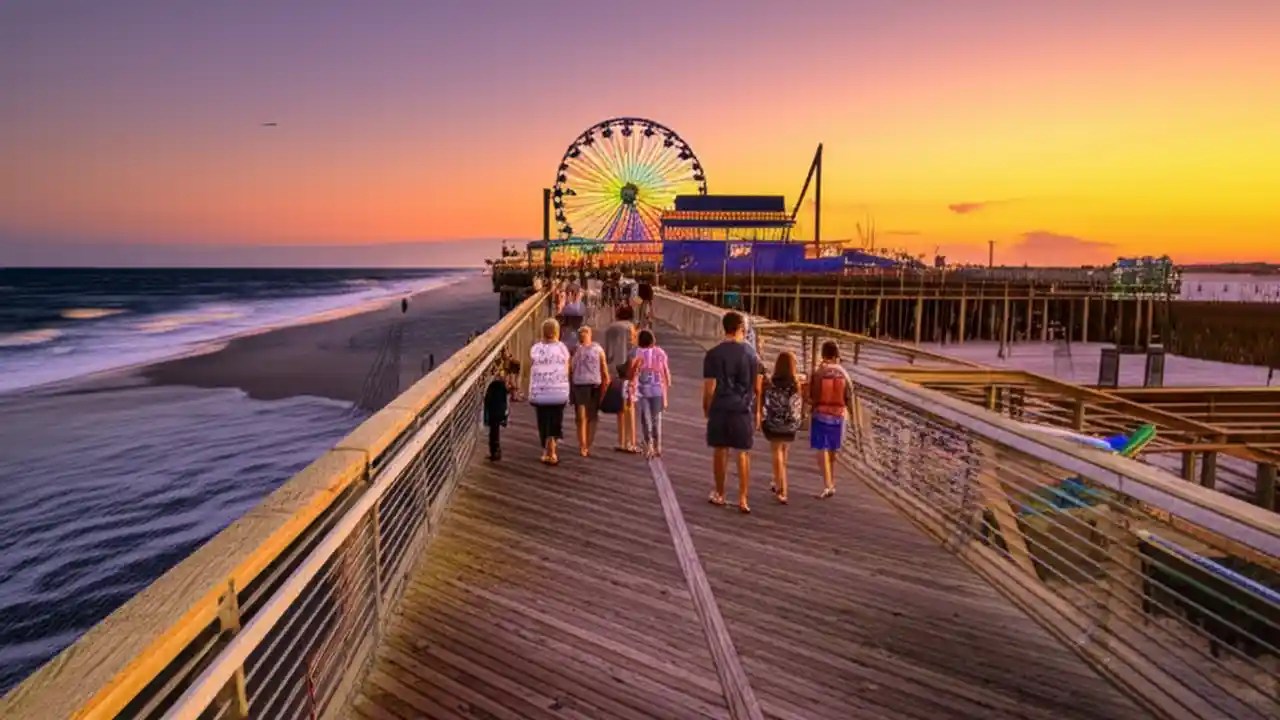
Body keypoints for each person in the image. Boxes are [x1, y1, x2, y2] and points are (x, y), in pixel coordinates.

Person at [702, 311, 762, 513]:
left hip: (720, 406)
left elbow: (709, 387)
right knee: (743, 453)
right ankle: (743, 498)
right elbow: (756, 387)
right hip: (742, 408)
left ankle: (720, 493)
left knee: (721, 451)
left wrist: (707, 408)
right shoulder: (751, 355)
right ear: (739, 329)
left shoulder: (713, 354)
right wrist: (757, 412)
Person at [809, 340, 855, 498]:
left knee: (823, 448)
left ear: (823, 355)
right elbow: (849, 397)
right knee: (833, 449)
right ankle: (832, 481)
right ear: (837, 356)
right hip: (839, 414)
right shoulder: (844, 373)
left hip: (821, 413)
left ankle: (827, 484)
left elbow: (813, 395)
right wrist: (854, 418)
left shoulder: (819, 373)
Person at [760, 351, 803, 503]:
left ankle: (781, 488)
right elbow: (797, 406)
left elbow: (766, 403)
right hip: (790, 424)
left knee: (776, 451)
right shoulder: (795, 384)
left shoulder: (771, 384)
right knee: (784, 452)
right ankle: (778, 479)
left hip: (774, 424)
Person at [528, 318, 571, 466]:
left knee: (543, 419)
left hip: (541, 391)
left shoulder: (535, 349)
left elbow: (533, 366)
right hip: (559, 391)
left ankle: (548, 450)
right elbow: (566, 368)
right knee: (556, 418)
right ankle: (552, 449)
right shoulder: (562, 348)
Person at [628, 329, 671, 457]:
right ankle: (658, 445)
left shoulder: (637, 352)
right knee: (656, 418)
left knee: (645, 418)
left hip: (642, 390)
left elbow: (632, 370)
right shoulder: (660, 353)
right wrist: (667, 383)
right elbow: (665, 371)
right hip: (657, 389)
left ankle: (649, 444)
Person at [604, 305, 639, 453]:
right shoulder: (631, 328)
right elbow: (634, 350)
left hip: (613, 367)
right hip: (627, 368)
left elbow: (607, 351)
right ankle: (631, 442)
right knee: (630, 405)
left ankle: (621, 441)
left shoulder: (610, 328)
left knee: (620, 406)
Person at [570, 325, 609, 457]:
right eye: (581, 334)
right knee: (581, 416)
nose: (583, 336)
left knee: (592, 415)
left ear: (590, 335)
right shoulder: (575, 349)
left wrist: (606, 381)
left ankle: (588, 442)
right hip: (580, 384)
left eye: (585, 333)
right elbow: (570, 368)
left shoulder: (597, 349)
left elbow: (603, 366)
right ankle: (582, 445)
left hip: (595, 384)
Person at [482, 352, 519, 462]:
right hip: (499, 393)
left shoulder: (497, 363)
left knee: (494, 424)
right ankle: (495, 450)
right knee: (495, 424)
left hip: (494, 391)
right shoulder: (506, 362)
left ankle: (495, 451)